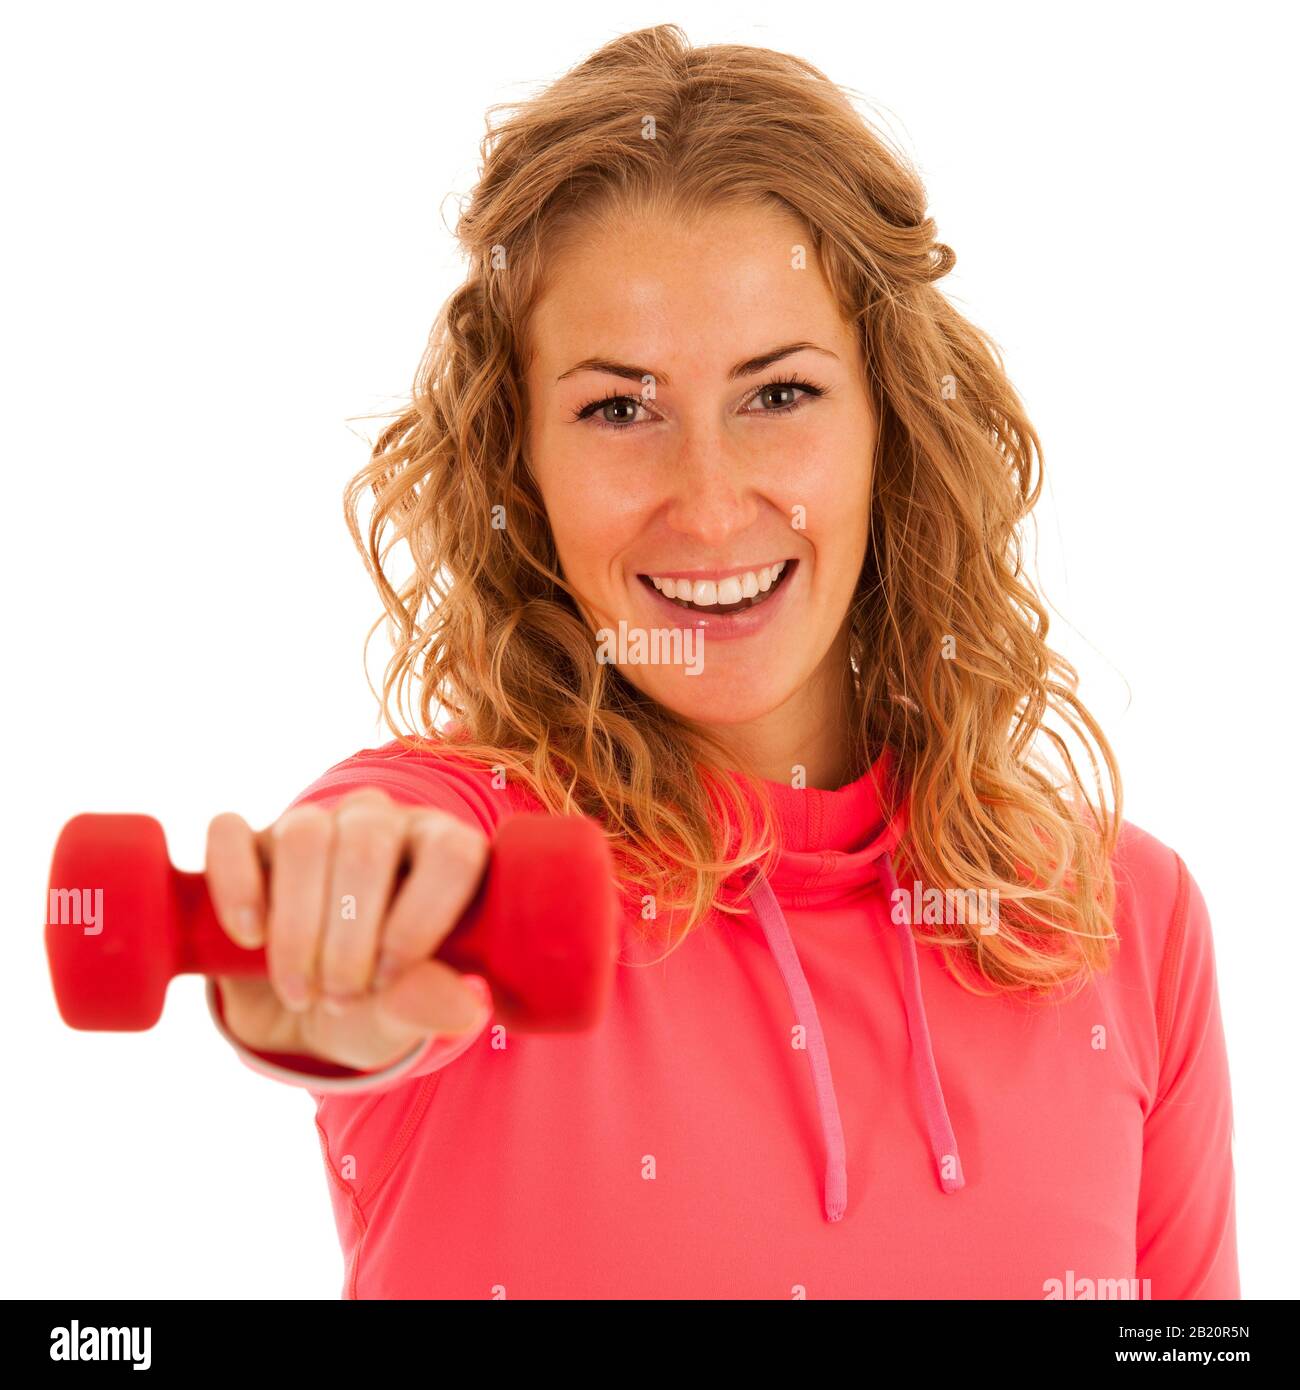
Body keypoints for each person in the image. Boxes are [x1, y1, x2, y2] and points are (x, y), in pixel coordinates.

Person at [201, 24, 1238, 1299]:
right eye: (617, 409)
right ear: (517, 464)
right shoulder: (479, 870)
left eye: (780, 393)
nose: (704, 504)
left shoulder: (1123, 919)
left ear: (888, 426)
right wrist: (332, 942)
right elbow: (367, 890)